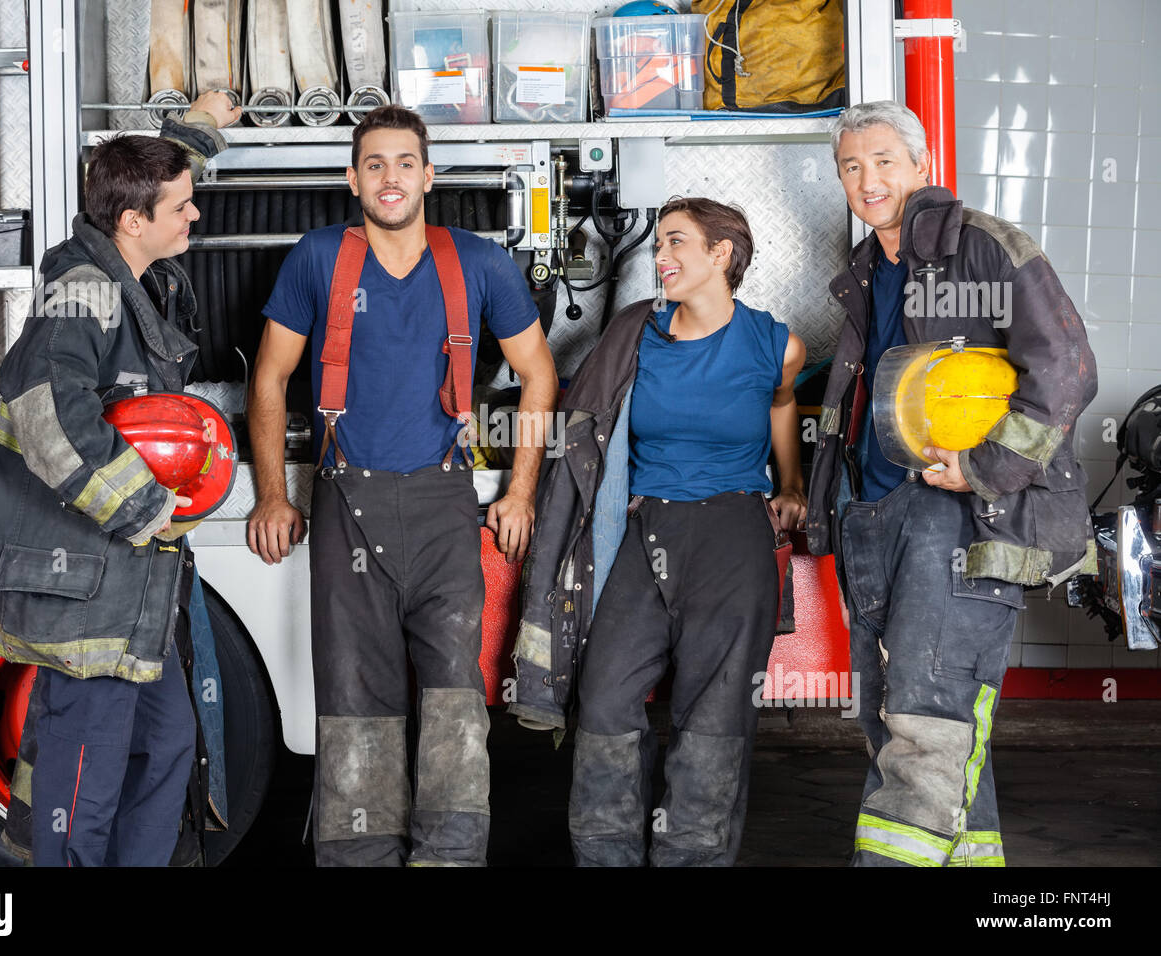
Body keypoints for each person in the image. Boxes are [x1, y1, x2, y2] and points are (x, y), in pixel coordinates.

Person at [247, 104, 558, 866]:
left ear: (429, 174)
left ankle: (450, 855)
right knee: (356, 698)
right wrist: (272, 495)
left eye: (405, 163)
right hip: (346, 499)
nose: (391, 178)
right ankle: (361, 855)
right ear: (353, 178)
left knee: (455, 697)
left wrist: (519, 492)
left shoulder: (479, 262)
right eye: (375, 165)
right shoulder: (317, 258)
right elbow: (270, 378)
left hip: (443, 500)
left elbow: (538, 372)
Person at [806, 101, 1097, 866]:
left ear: (922, 166)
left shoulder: (986, 249)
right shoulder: (865, 273)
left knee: (926, 716)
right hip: (874, 515)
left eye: (883, 162)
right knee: (900, 717)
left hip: (960, 518)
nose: (868, 180)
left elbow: (1066, 371)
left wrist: (984, 468)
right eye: (851, 166)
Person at [510, 197, 806, 866]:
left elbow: (782, 402)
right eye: (658, 246)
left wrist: (789, 484)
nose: (660, 258)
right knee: (606, 697)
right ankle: (606, 856)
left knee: (715, 717)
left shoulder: (776, 344)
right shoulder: (636, 331)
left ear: (720, 255)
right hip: (647, 529)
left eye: (676, 244)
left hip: (733, 533)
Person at [0, 91, 241, 866]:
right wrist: (143, 510)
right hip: (89, 595)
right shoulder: (83, 292)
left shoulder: (128, 268)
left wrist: (192, 136)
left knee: (165, 743)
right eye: (183, 207)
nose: (193, 216)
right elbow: (47, 416)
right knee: (83, 776)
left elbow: (149, 182)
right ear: (134, 222)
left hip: (131, 596)